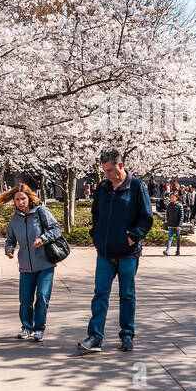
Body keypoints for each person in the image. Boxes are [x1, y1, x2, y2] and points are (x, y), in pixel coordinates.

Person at [78, 148, 153, 354]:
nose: (107, 175)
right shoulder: (102, 187)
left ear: (121, 165)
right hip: (104, 252)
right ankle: (95, 337)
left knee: (127, 295)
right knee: (100, 294)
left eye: (110, 170)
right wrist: (97, 234)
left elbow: (147, 218)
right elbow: (96, 214)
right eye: (104, 171)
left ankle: (127, 335)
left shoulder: (137, 187)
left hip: (128, 253)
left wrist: (132, 236)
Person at [0, 183, 62, 342]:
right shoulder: (15, 220)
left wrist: (43, 239)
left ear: (29, 198)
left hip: (45, 264)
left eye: (23, 199)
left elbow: (56, 229)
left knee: (42, 296)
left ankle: (39, 328)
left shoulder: (41, 212)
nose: (20, 202)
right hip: (26, 266)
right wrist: (9, 248)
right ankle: (26, 327)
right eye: (17, 200)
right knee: (25, 299)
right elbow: (10, 239)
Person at [163, 191, 185, 255]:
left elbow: (181, 216)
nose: (172, 198)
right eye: (171, 197)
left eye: (173, 197)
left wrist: (179, 225)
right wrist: (168, 223)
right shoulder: (169, 205)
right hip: (171, 225)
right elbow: (167, 215)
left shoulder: (179, 205)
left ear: (176, 198)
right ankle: (167, 250)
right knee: (170, 238)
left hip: (177, 225)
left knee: (178, 238)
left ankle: (178, 251)